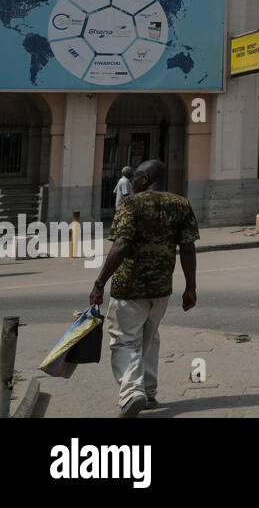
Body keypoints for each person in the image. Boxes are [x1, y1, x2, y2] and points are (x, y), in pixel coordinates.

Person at [89, 158, 199, 418]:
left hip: (130, 288)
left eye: (136, 176)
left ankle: (131, 393)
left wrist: (99, 282)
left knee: (124, 341)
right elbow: (188, 248)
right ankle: (148, 392)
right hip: (161, 289)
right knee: (150, 339)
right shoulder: (181, 204)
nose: (133, 180)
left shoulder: (131, 204)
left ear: (146, 179)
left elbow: (121, 244)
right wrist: (191, 287)